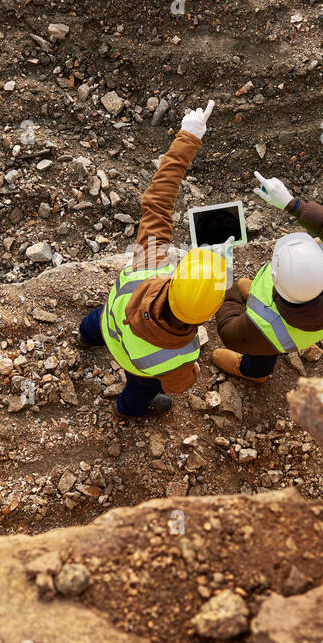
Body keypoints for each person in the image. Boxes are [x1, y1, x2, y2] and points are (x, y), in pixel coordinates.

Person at [78, 100, 227, 416]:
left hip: (110, 324)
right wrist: (195, 374)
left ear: (176, 280)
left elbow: (158, 198)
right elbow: (178, 384)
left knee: (95, 323)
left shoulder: (149, 265)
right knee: (141, 391)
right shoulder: (184, 353)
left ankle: (86, 338)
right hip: (137, 366)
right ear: (205, 318)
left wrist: (189, 136)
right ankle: (128, 410)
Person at [213, 171, 323, 382]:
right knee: (267, 340)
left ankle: (255, 372)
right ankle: (255, 302)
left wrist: (222, 269)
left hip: (271, 336)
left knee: (263, 350)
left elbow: (228, 329)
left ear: (274, 279)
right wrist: (291, 203)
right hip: (312, 320)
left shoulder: (263, 327)